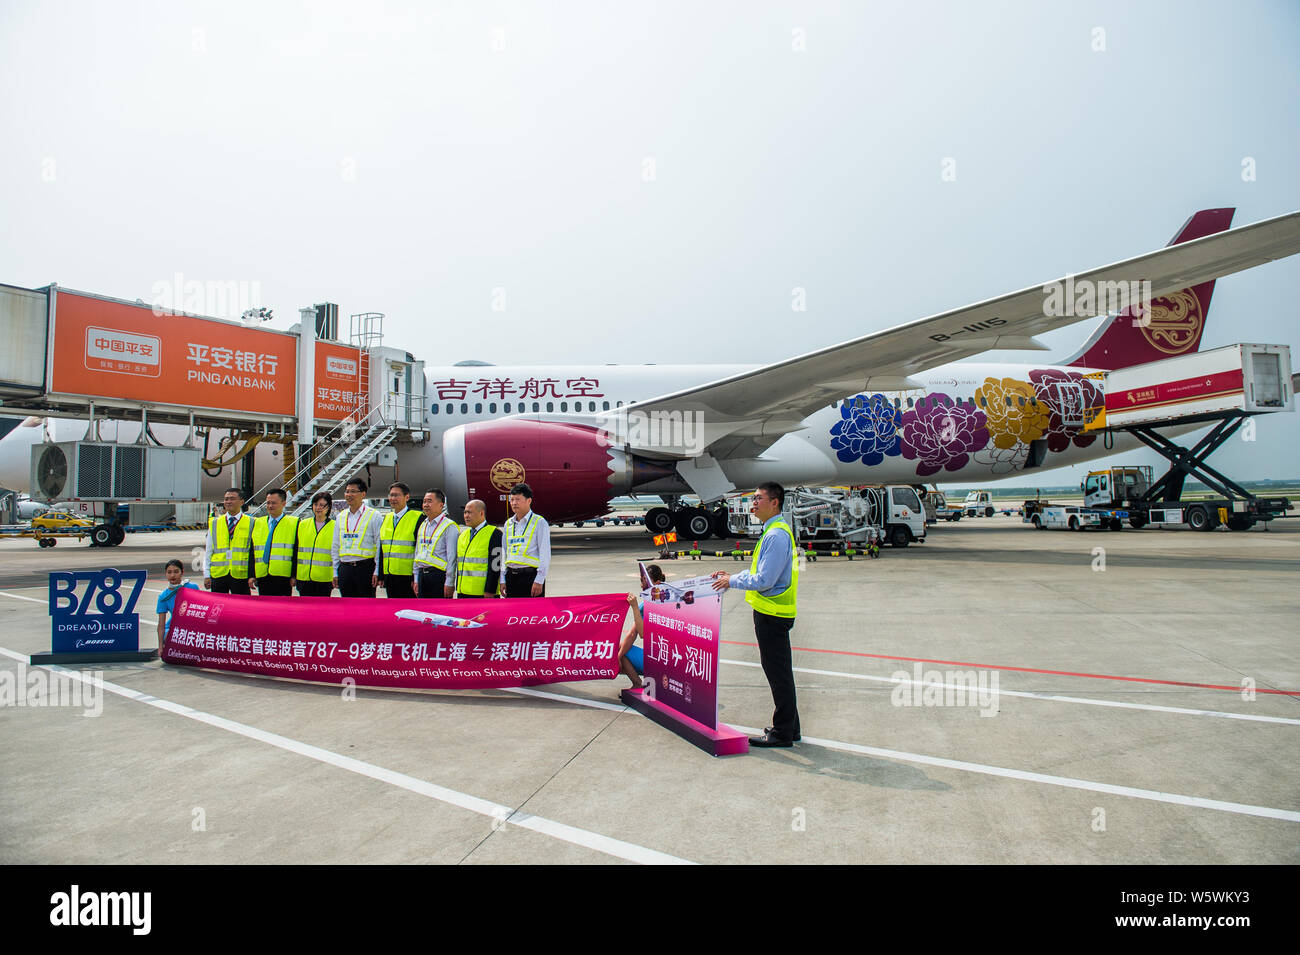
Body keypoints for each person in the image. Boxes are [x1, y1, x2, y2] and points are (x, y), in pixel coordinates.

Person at [711, 482, 800, 748]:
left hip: (772, 613)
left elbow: (764, 580)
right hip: (773, 611)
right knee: (780, 671)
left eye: (759, 498)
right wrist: (732, 577)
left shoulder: (775, 535)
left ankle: (783, 732)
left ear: (775, 502)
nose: (754, 503)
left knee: (778, 673)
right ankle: (791, 728)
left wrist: (731, 581)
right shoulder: (773, 531)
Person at [618, 563, 665, 688]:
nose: (642, 585)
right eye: (641, 581)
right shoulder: (647, 603)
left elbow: (643, 634)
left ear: (657, 583)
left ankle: (638, 683)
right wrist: (618, 657)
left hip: (661, 660)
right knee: (618, 649)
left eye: (645, 581)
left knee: (620, 652)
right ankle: (637, 683)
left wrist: (634, 607)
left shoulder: (661, 603)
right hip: (656, 657)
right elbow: (632, 634)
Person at [332, 477, 379, 597]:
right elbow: (336, 545)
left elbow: (379, 545)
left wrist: (377, 570)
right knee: (346, 606)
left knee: (366, 606)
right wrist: (335, 571)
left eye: (353, 491)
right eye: (347, 491)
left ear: (363, 494)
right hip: (345, 568)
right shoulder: (341, 516)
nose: (349, 494)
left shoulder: (374, 515)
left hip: (365, 568)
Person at [500, 483, 550, 597]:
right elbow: (504, 552)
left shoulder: (539, 522)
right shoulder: (508, 524)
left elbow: (545, 554)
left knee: (532, 613)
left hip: (530, 577)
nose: (514, 503)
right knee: (512, 613)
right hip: (511, 576)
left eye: (518, 499)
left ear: (529, 501)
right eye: (512, 500)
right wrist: (502, 578)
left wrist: (539, 580)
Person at [203, 487, 254, 594]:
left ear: (242, 502)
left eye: (232, 499)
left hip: (240, 574)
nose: (228, 502)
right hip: (219, 574)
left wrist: (252, 575)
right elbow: (208, 551)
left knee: (241, 607)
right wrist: (207, 574)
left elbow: (254, 552)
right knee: (218, 607)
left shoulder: (252, 522)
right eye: (226, 499)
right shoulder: (215, 523)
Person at [251, 487, 299, 596]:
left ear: (283, 503)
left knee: (282, 609)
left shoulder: (294, 523)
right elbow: (252, 551)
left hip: (283, 576)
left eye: (274, 503)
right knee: (265, 608)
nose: (270, 506)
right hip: (262, 574)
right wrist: (252, 574)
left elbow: (297, 551)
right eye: (268, 503)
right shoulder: (258, 522)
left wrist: (294, 575)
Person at [376, 482, 421, 598]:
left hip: (407, 576)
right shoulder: (387, 518)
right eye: (391, 495)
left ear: (407, 497)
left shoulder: (417, 517)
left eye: (396, 495)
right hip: (389, 575)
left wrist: (415, 577)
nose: (392, 499)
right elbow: (382, 549)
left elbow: (419, 550)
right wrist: (381, 574)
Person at [413, 488, 458, 599]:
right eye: (424, 501)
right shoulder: (423, 524)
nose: (426, 504)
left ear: (441, 505)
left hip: (438, 576)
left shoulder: (449, 526)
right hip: (422, 575)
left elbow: (452, 557)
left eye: (429, 501)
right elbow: (418, 552)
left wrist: (449, 582)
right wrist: (416, 579)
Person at [454, 500, 503, 598]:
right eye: (465, 512)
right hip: (462, 592)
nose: (466, 516)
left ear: (481, 513)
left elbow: (495, 566)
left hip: (482, 594)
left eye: (469, 512)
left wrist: (490, 590)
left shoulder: (495, 534)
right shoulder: (463, 535)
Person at [295, 491, 335, 596]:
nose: (318, 508)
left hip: (324, 578)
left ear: (329, 507)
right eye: (315, 504)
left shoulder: (335, 527)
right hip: (304, 577)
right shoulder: (302, 524)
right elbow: (296, 550)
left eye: (322, 505)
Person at [156, 558, 199, 649]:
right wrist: (160, 647)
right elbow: (161, 625)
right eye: (169, 572)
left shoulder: (193, 587)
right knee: (170, 636)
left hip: (192, 626)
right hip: (174, 628)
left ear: (182, 572)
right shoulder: (163, 596)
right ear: (165, 573)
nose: (172, 575)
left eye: (176, 572)